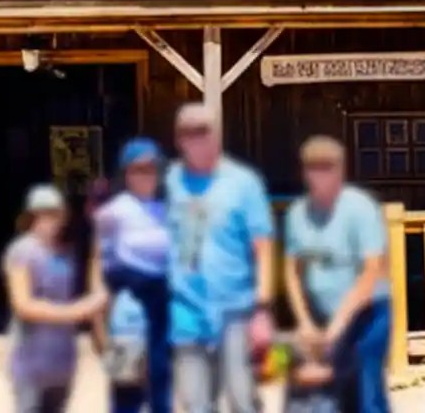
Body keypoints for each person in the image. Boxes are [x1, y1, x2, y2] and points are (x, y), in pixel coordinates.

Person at [166, 102, 275, 413]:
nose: (196, 138)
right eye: (188, 132)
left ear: (217, 134)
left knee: (243, 400)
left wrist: (263, 308)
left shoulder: (244, 182)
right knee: (195, 403)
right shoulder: (168, 182)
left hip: (236, 311)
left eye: (203, 131)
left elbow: (263, 248)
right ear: (178, 139)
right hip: (184, 311)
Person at [283, 135, 392, 413]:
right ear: (304, 172)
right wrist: (305, 321)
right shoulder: (297, 214)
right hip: (322, 315)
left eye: (328, 167)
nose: (321, 175)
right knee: (326, 397)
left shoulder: (360, 208)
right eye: (314, 167)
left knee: (366, 392)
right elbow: (292, 271)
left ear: (340, 170)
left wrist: (337, 326)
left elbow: (371, 272)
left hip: (369, 314)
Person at [3, 184, 109, 413]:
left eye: (55, 213)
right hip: (30, 362)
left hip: (62, 362)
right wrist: (75, 311)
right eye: (44, 213)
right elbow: (23, 304)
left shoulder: (66, 253)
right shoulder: (22, 251)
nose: (50, 219)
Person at [91, 137, 172, 413]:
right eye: (138, 169)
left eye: (151, 169)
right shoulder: (112, 213)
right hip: (128, 316)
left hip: (164, 316)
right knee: (126, 397)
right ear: (125, 173)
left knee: (163, 395)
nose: (145, 175)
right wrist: (98, 326)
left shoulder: (169, 211)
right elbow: (98, 271)